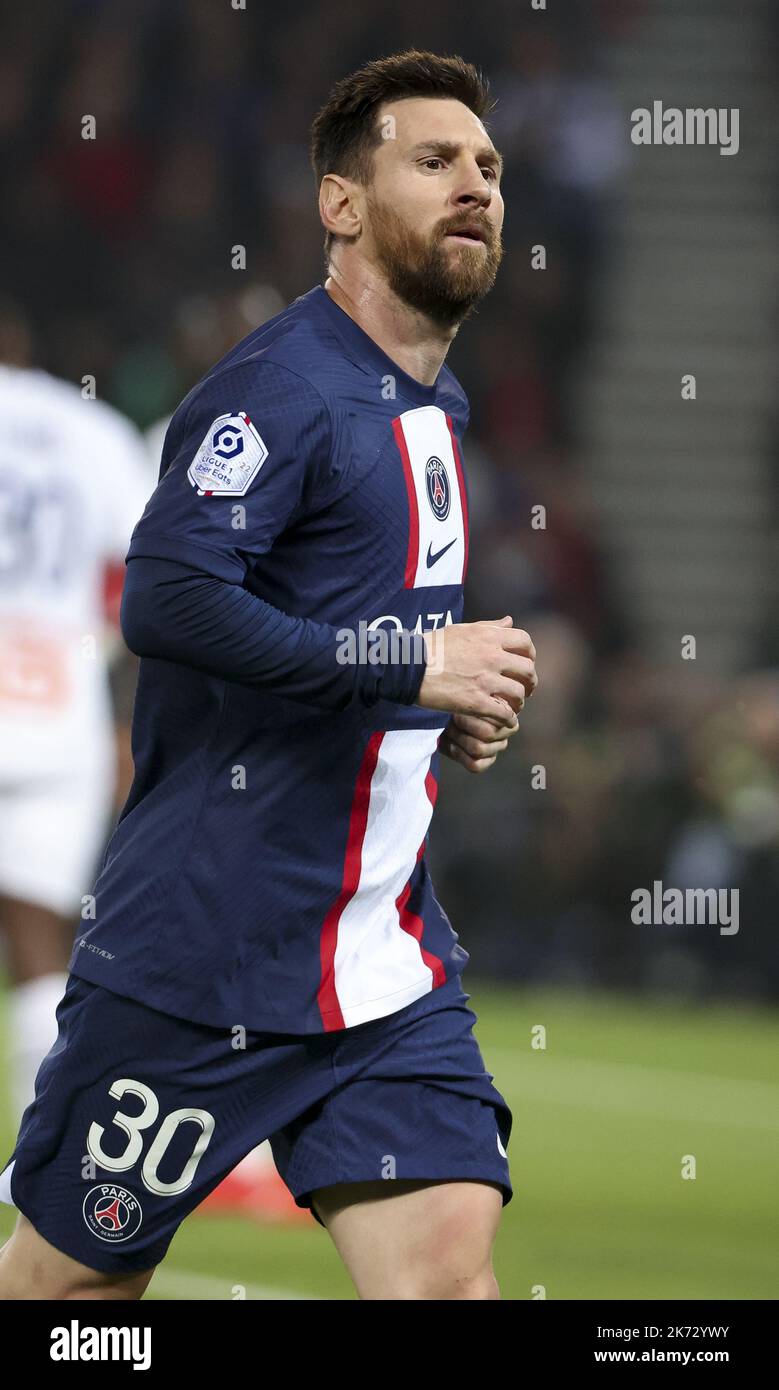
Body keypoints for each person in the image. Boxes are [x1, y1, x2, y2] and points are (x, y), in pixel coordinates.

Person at [0, 49, 538, 1301]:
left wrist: (440, 709)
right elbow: (173, 598)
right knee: (68, 1296)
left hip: (381, 957)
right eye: (433, 160)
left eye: (489, 167)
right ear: (339, 206)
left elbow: (351, 636)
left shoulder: (435, 402)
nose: (475, 184)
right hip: (207, 957)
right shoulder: (276, 390)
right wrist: (409, 668)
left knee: (445, 1282)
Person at [0, 299, 151, 1129]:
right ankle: (39, 1160)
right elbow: (140, 589)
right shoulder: (93, 432)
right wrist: (122, 712)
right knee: (37, 941)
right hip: (55, 712)